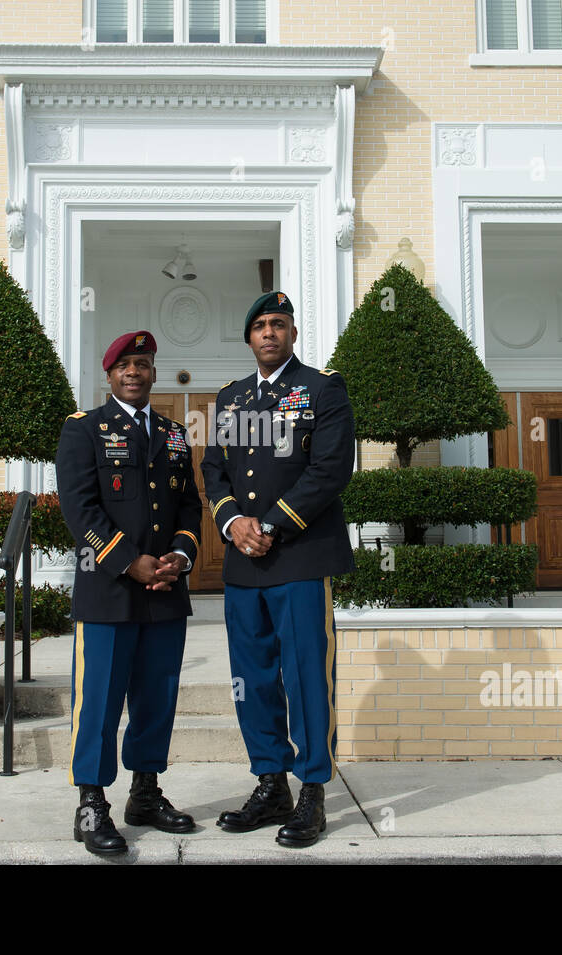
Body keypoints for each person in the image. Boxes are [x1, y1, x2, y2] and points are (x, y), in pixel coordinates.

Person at [200, 291, 356, 848]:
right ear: (249, 338)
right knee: (253, 678)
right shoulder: (231, 398)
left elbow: (331, 469)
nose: (269, 332)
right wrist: (232, 524)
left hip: (300, 555)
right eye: (261, 325)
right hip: (243, 564)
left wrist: (269, 525)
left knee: (306, 672)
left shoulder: (321, 389)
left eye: (279, 324)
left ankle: (312, 789)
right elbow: (212, 469)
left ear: (293, 334)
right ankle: (271, 783)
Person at [55, 330, 203, 856]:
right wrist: (128, 562)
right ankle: (91, 802)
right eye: (125, 365)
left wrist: (180, 558)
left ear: (154, 372)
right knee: (98, 702)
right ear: (109, 375)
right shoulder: (84, 430)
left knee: (155, 698)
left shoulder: (173, 433)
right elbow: (79, 508)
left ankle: (145, 792)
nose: (134, 372)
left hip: (165, 591)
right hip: (108, 592)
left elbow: (189, 506)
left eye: (143, 363)